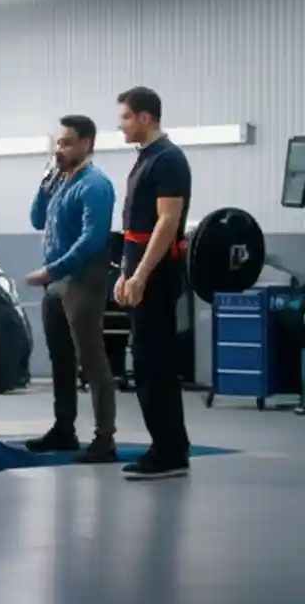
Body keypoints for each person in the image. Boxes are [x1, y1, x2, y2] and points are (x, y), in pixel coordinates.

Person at [22, 115, 117, 463]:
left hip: (82, 279)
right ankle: (64, 429)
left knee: (91, 360)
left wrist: (52, 269)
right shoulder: (61, 181)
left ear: (86, 144)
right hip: (56, 283)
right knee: (60, 358)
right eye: (57, 143)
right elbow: (35, 218)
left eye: (66, 142)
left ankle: (105, 439)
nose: (59, 149)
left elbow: (91, 240)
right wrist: (47, 180)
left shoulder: (95, 185)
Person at [114, 85, 192, 480]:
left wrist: (142, 274)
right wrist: (124, 272)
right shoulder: (145, 158)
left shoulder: (169, 159)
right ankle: (170, 444)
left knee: (154, 363)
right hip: (140, 271)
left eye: (126, 117)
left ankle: (169, 452)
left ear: (145, 117)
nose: (121, 124)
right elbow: (135, 226)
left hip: (158, 276)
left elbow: (167, 222)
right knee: (147, 361)